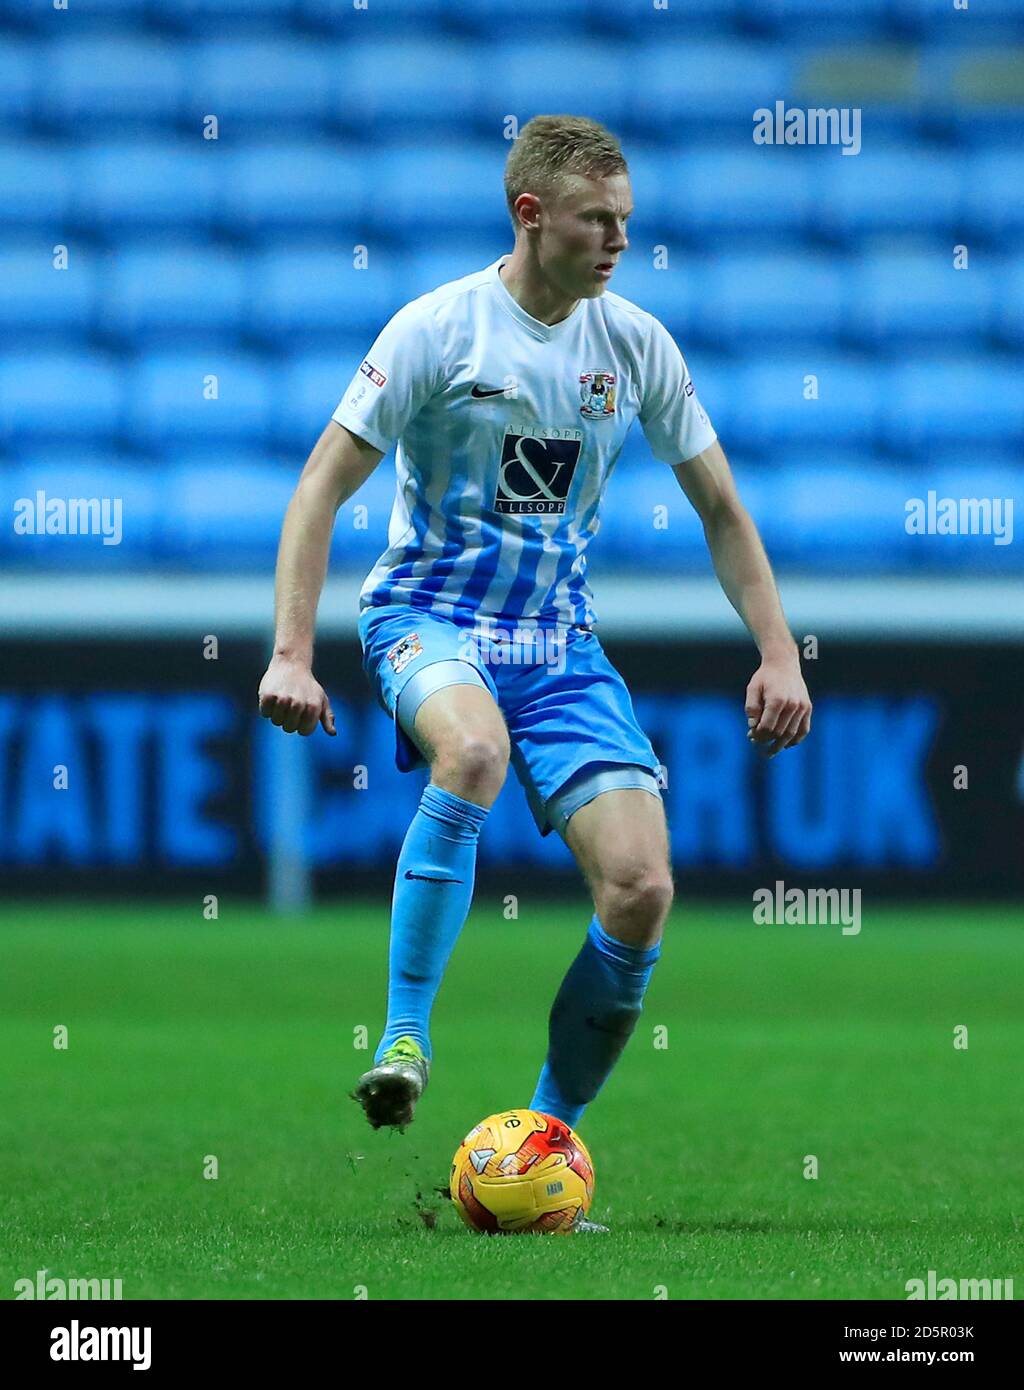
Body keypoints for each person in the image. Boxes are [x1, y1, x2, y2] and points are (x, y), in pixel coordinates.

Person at [257, 116, 812, 1229]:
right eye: (597, 221)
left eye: (626, 222)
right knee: (469, 750)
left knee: (644, 886)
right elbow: (320, 485)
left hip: (557, 644)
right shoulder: (436, 329)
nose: (617, 241)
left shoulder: (636, 345)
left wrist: (778, 650)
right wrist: (288, 651)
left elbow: (720, 507)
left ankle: (543, 1140)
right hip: (428, 615)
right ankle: (405, 1035)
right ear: (530, 214)